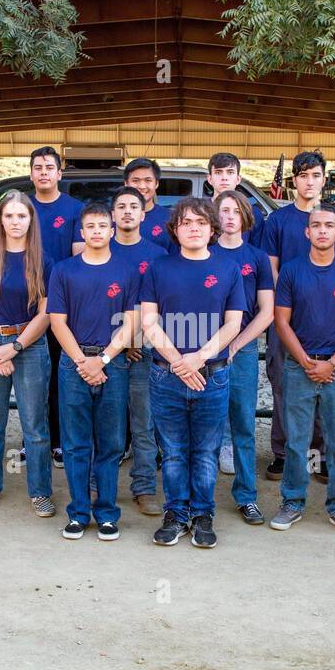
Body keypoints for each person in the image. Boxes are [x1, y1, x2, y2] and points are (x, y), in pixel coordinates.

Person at [140, 197, 244, 549]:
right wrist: (177, 361)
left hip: (211, 374)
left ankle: (202, 513)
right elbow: (148, 322)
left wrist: (198, 357)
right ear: (175, 229)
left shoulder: (229, 268)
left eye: (201, 222)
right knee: (171, 449)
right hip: (165, 375)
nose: (194, 228)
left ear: (213, 228)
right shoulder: (158, 267)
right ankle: (175, 513)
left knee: (205, 449)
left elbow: (234, 324)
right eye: (186, 222)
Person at [268, 204, 335, 535]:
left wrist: (333, 363)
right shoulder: (292, 271)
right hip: (299, 366)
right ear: (307, 232)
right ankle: (292, 501)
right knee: (297, 440)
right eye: (316, 225)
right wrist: (306, 361)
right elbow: (281, 320)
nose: (322, 230)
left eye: (329, 226)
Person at [47, 202, 140, 541]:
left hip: (112, 365)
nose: (98, 231)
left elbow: (132, 322)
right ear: (82, 232)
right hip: (73, 365)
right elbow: (57, 321)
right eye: (91, 226)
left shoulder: (128, 271)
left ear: (112, 230)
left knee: (111, 443)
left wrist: (101, 360)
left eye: (104, 225)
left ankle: (107, 514)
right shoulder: (63, 270)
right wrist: (82, 362)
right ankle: (78, 512)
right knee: (75, 443)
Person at [0, 191, 56, 518]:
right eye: (9, 216)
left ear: (31, 221)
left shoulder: (43, 262)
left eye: (22, 216)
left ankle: (40, 491)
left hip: (28, 346)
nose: (15, 222)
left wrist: (15, 348)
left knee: (34, 425)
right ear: (0, 221)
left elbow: (46, 313)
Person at [260, 150, 335, 482]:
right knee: (283, 386)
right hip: (285, 318)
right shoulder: (278, 221)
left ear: (324, 179)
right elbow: (272, 269)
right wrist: (285, 311)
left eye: (315, 175)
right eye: (303, 176)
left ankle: (319, 454)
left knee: (323, 385)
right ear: (293, 180)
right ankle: (283, 454)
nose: (309, 182)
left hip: (327, 320)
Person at [212, 190, 274, 525]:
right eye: (224, 210)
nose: (231, 216)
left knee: (243, 425)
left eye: (237, 211)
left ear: (246, 217)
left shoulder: (257, 258)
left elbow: (266, 312)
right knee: (205, 426)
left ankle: (246, 496)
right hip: (206, 349)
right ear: (215, 216)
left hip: (244, 349)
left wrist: (237, 344)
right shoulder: (203, 253)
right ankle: (200, 496)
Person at [109, 185, 167, 516]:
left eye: (135, 206)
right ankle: (99, 486)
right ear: (113, 214)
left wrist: (139, 339)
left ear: (144, 214)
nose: (128, 211)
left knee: (144, 423)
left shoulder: (157, 255)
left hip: (145, 350)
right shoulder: (101, 249)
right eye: (122, 206)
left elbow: (162, 304)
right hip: (106, 351)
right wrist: (120, 341)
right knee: (107, 424)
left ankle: (144, 487)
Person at [28, 146, 83, 469]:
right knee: (32, 375)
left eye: (50, 166)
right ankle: (33, 441)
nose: (44, 172)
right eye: (38, 167)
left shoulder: (74, 209)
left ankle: (61, 441)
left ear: (60, 173)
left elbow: (78, 258)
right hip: (25, 304)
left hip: (62, 306)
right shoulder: (20, 207)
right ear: (32, 173)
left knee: (60, 376)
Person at [207, 152, 266, 247]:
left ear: (238, 179)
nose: (224, 178)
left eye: (230, 172)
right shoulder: (199, 211)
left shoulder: (253, 213)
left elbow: (256, 251)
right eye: (218, 172)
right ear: (209, 179)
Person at [124, 157, 173, 248]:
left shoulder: (171, 218)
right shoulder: (113, 218)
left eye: (148, 180)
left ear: (157, 183)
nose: (142, 186)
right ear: (126, 183)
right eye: (135, 180)